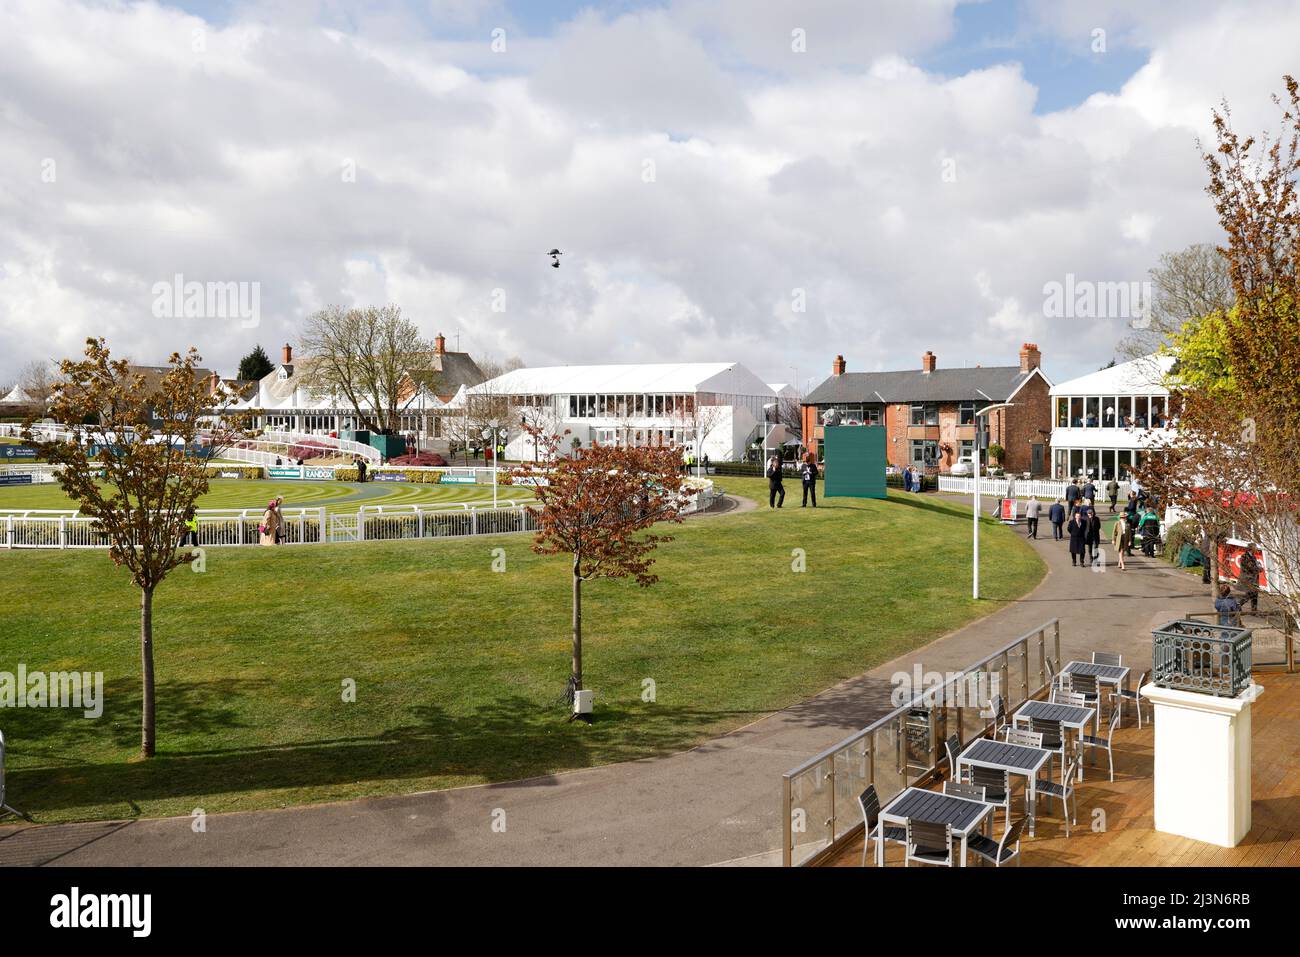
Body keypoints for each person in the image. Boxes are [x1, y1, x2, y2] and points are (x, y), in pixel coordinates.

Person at [1238, 545, 1261, 614]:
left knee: (1254, 594)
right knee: (1250, 593)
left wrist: (1258, 568)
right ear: (1251, 549)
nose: (1257, 549)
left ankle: (1254, 610)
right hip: (1248, 578)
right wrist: (1258, 569)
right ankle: (1238, 604)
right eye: (1255, 548)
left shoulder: (1253, 556)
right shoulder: (1245, 556)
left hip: (1253, 578)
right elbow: (1249, 567)